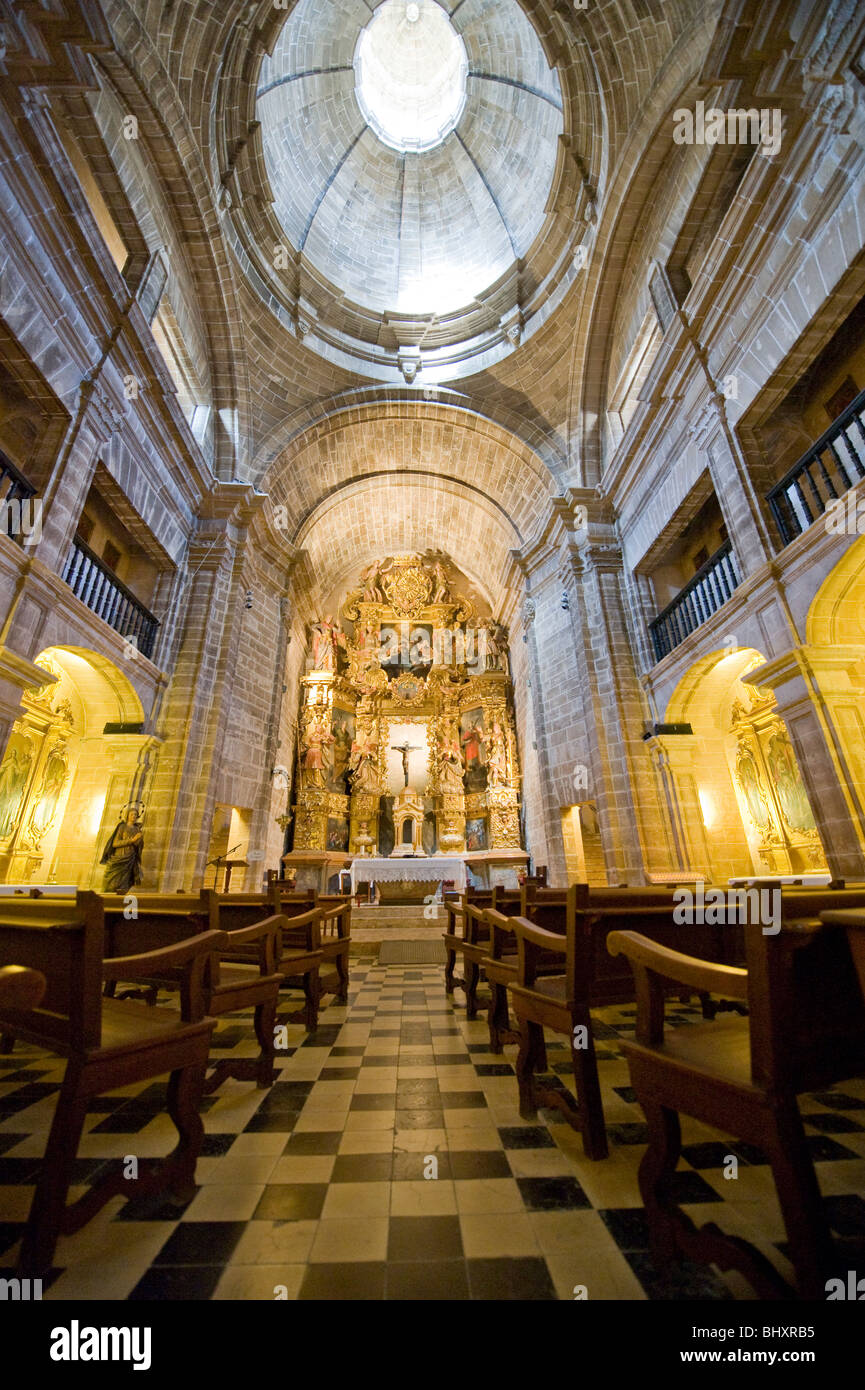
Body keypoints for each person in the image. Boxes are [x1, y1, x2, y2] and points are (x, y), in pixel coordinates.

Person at [101, 805, 144, 893]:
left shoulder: (137, 829)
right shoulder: (122, 827)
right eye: (132, 814)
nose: (134, 816)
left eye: (136, 815)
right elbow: (115, 843)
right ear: (127, 815)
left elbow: (137, 847)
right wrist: (132, 840)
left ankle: (120, 898)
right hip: (119, 857)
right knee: (112, 880)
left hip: (130, 858)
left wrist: (140, 841)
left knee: (125, 881)